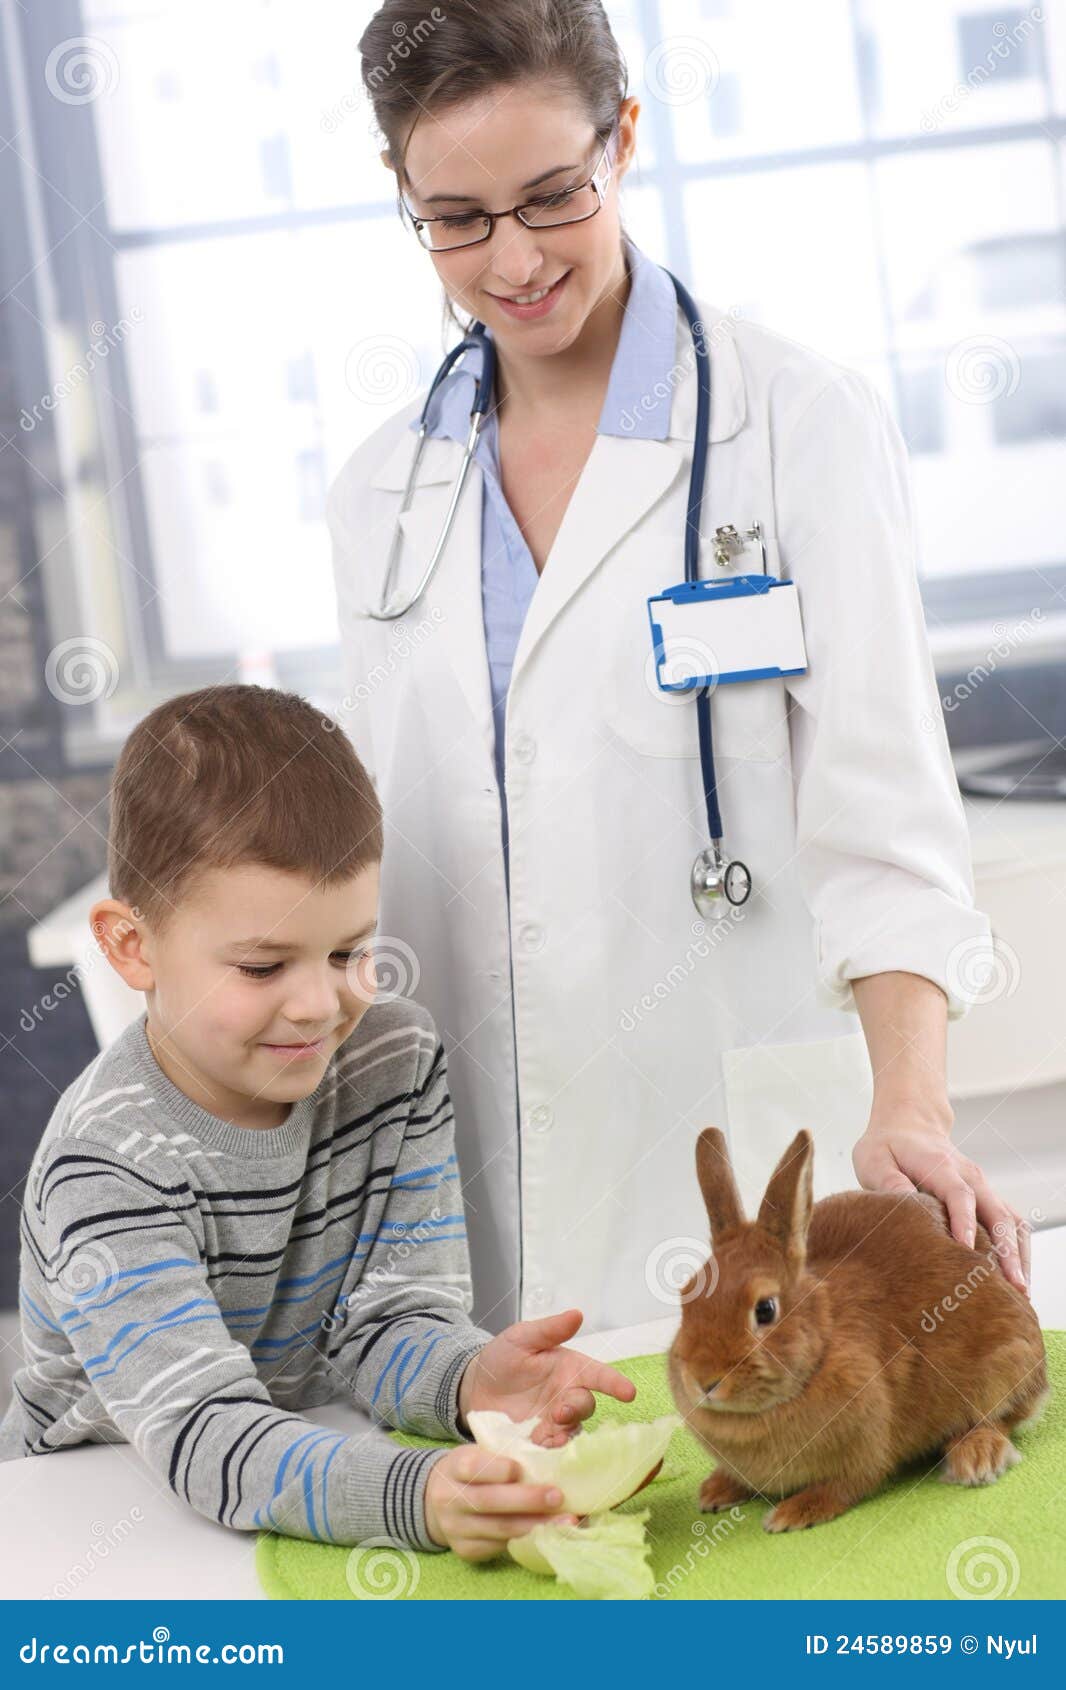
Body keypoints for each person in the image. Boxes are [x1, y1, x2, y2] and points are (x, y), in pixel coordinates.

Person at [327, 0, 1030, 1337]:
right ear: (401, 195)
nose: (515, 257)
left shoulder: (794, 423)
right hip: (469, 1209)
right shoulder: (381, 493)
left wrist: (908, 1108)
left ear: (624, 139)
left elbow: (884, 831)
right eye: (456, 217)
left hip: (740, 1183)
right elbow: (392, 873)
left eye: (552, 196)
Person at [0, 684, 635, 1561]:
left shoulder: (393, 1063)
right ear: (131, 947)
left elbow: (388, 1319)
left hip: (282, 1467)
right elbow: (203, 1432)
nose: (318, 1005)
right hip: (89, 1517)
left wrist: (466, 1379)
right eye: (263, 967)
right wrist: (411, 1494)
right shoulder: (105, 1164)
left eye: (348, 953)